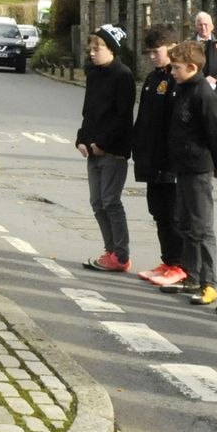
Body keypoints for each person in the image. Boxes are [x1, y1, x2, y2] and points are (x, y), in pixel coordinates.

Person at [161, 40, 217, 305]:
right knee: (186, 223)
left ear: (192, 67)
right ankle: (191, 275)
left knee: (201, 226)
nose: (172, 72)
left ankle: (208, 282)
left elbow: (216, 131)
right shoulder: (182, 89)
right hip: (183, 167)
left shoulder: (203, 93)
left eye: (176, 68)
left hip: (198, 168)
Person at [78, 25, 137, 272]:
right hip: (93, 150)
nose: (92, 53)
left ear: (112, 49)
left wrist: (102, 143)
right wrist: (81, 139)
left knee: (111, 201)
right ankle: (110, 250)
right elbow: (88, 113)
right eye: (91, 48)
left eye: (97, 48)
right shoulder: (94, 75)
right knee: (97, 202)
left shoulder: (123, 76)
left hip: (113, 151)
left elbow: (122, 118)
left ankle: (121, 255)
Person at [132, 27, 186, 288]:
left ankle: (180, 264)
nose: (152, 56)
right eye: (149, 52)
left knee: (173, 214)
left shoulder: (176, 80)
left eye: (157, 51)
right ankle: (168, 260)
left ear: (172, 47)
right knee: (159, 213)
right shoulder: (154, 79)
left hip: (170, 161)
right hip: (152, 159)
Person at [193, 11, 217, 82]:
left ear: (212, 26)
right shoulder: (188, 46)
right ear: (196, 27)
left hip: (215, 89)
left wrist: (216, 78)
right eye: (200, 25)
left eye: (205, 24)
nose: (203, 28)